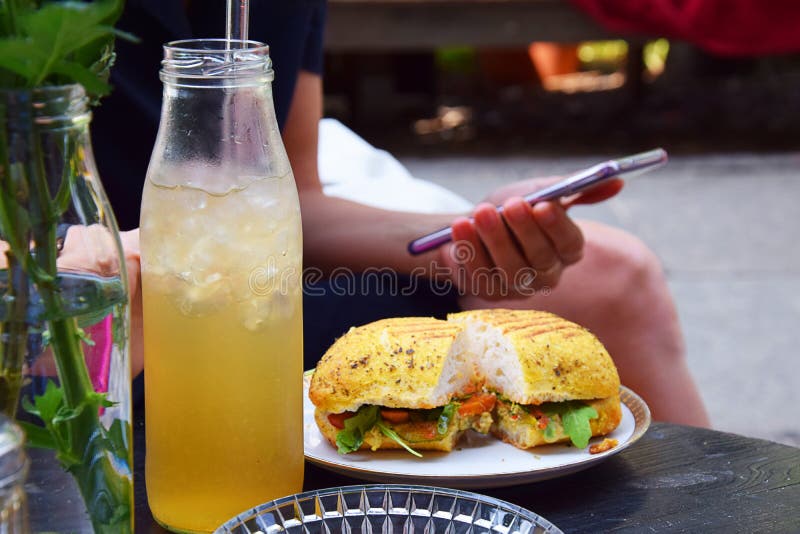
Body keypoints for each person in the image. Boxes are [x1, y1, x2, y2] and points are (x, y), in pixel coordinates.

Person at [94, 0, 709, 426]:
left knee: (611, 273)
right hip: (107, 318)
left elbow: (296, 199)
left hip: (262, 292)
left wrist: (458, 239)